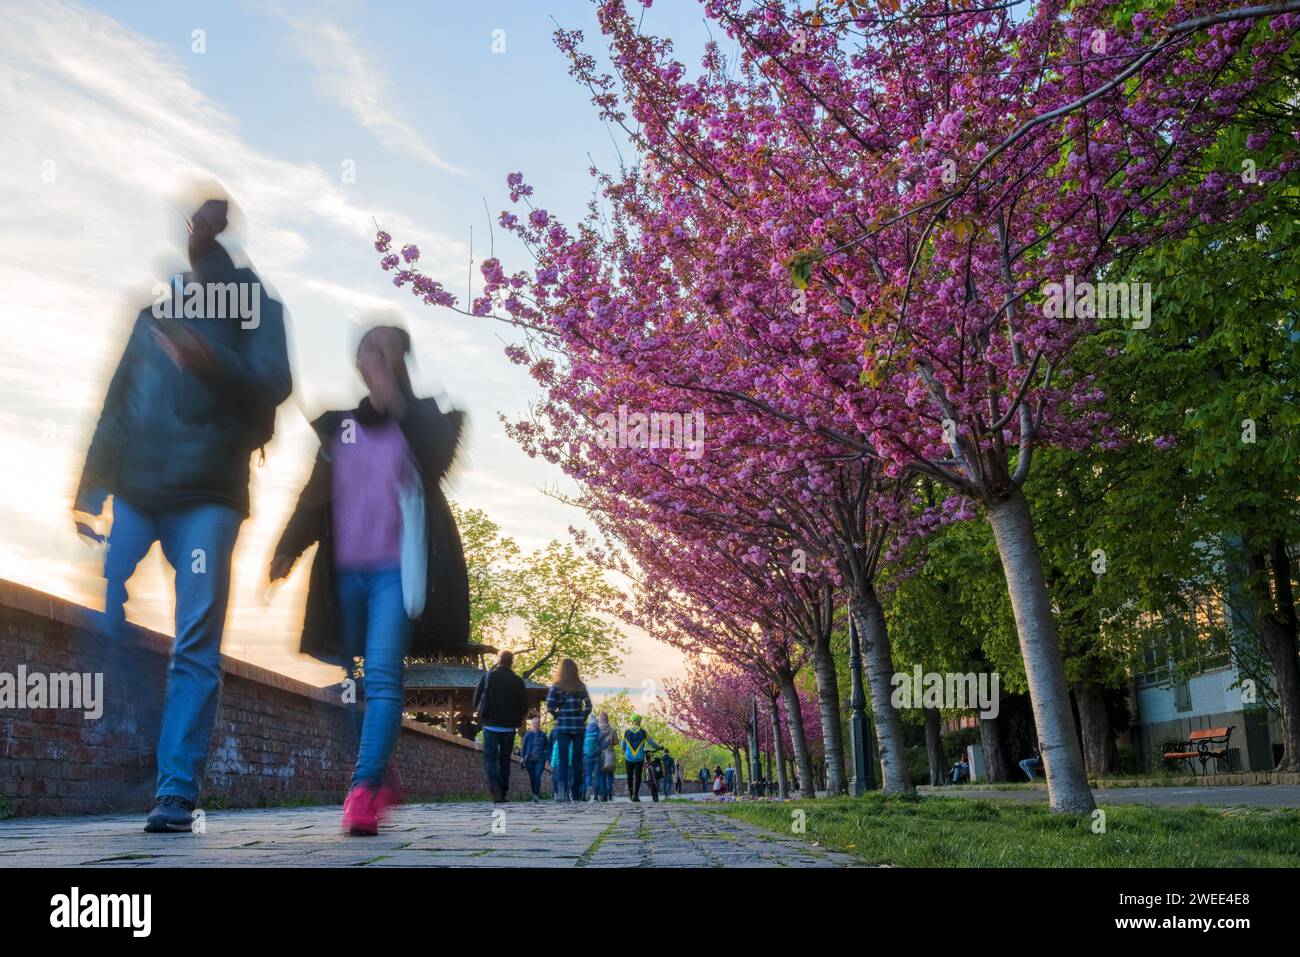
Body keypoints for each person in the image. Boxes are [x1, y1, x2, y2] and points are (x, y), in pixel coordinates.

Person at [75, 193, 292, 833]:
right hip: (139, 490)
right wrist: (91, 489)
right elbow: (117, 403)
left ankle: (175, 788)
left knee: (194, 641)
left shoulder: (256, 310)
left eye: (207, 232)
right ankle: (146, 732)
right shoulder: (150, 317)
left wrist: (213, 359)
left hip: (209, 495)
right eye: (192, 229)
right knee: (107, 611)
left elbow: (275, 381)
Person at [270, 323, 470, 836]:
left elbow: (434, 458)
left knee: (382, 678)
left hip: (395, 574)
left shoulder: (427, 422)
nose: (375, 361)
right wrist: (288, 549)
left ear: (403, 361)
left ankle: (362, 792)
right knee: (345, 688)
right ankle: (383, 773)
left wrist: (397, 399)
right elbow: (316, 496)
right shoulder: (343, 429)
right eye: (368, 353)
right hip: (343, 576)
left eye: (386, 353)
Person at [474, 651, 529, 803]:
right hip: (508, 727)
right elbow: (524, 705)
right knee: (505, 760)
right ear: (512, 662)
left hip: (490, 725)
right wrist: (516, 720)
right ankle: (503, 791)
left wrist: (482, 717)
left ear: (499, 661)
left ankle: (495, 788)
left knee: (490, 758)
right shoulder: (517, 681)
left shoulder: (488, 677)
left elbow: (477, 699)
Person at [545, 659, 592, 802]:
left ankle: (562, 790)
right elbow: (589, 706)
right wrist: (581, 717)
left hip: (563, 727)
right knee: (578, 760)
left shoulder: (557, 686)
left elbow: (550, 706)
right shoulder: (580, 686)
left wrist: (558, 716)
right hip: (578, 727)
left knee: (563, 760)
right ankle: (576, 791)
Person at [622, 715, 660, 802]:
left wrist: (627, 752)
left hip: (628, 757)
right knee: (638, 776)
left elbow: (622, 746)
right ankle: (635, 795)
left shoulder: (626, 732)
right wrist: (659, 747)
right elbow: (651, 742)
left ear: (632, 721)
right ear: (640, 722)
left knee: (629, 776)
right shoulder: (643, 732)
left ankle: (631, 795)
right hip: (639, 757)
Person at [520, 717, 549, 802]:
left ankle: (536, 795)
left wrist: (547, 759)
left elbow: (548, 747)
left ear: (539, 725)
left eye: (537, 723)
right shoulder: (528, 735)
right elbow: (524, 747)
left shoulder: (543, 735)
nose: (536, 725)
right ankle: (534, 794)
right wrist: (522, 757)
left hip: (540, 760)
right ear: (531, 725)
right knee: (532, 777)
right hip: (529, 760)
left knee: (537, 777)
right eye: (534, 724)